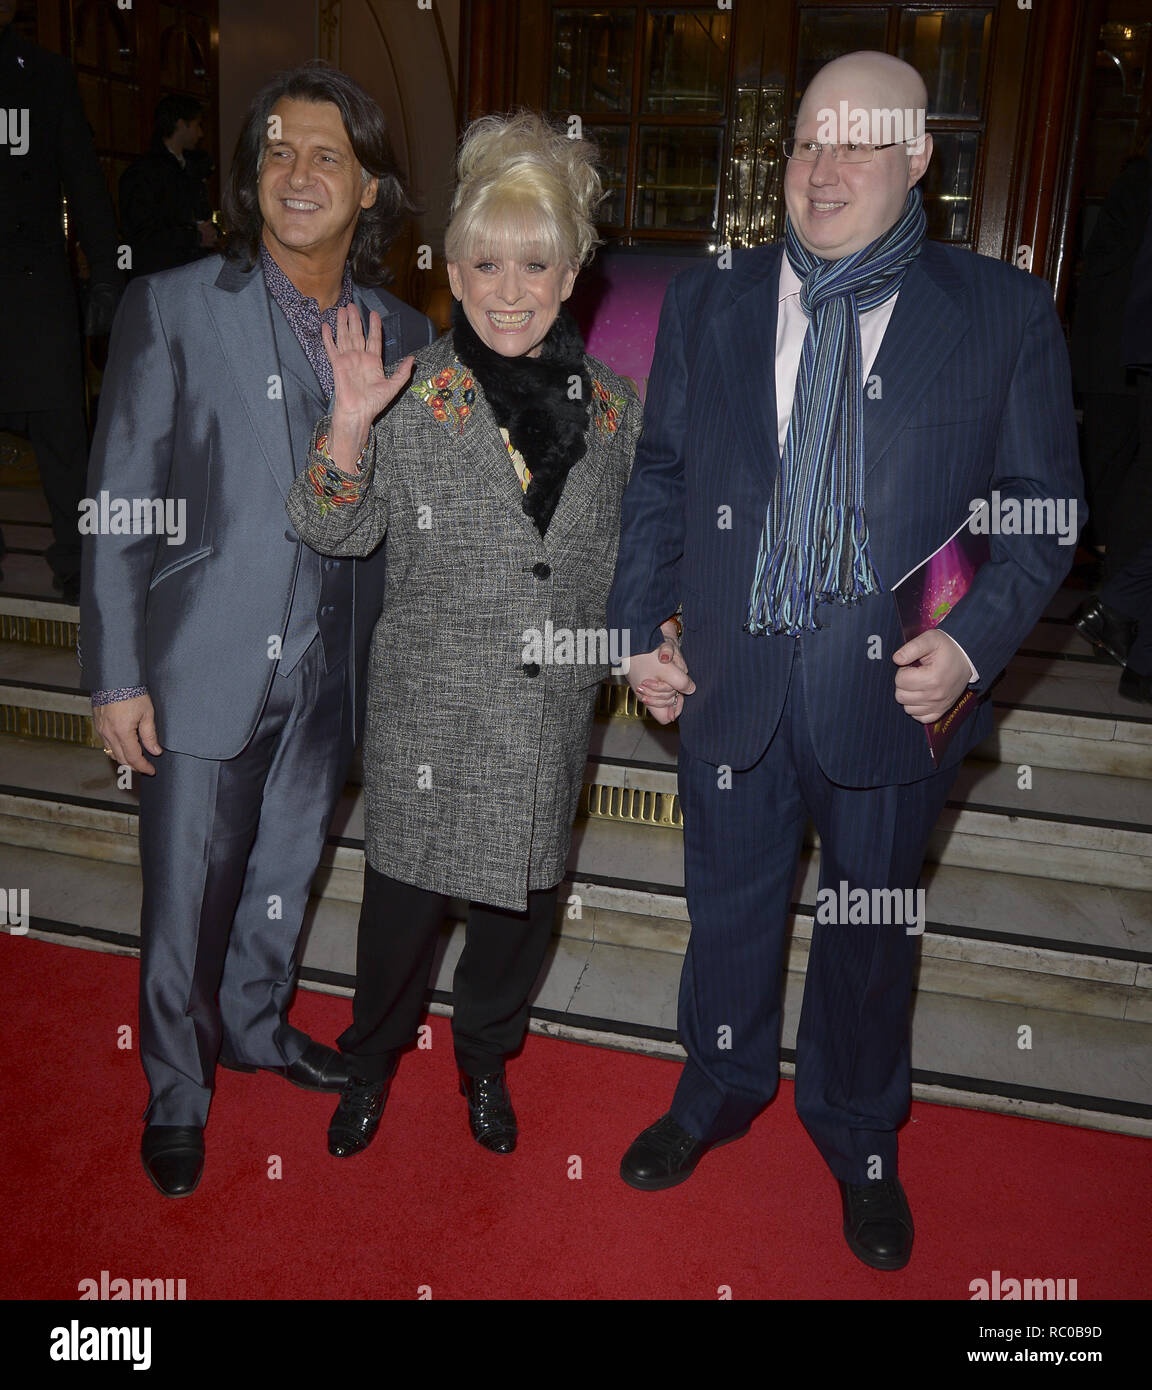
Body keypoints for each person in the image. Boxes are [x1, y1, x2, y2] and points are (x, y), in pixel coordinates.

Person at [605, 51, 1084, 1270]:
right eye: (811, 139)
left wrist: (972, 647)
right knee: (726, 917)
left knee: (870, 942)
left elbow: (1040, 507)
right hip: (729, 680)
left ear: (920, 159)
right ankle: (715, 1086)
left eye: (860, 141)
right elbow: (660, 478)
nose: (824, 168)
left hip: (890, 700)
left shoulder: (999, 312)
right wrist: (635, 626)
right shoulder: (714, 298)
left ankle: (861, 1135)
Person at [79, 62, 433, 1198]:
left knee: (288, 863)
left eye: (329, 154)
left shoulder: (402, 328)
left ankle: (256, 1021)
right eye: (278, 150)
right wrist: (115, 674)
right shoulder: (175, 304)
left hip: (336, 663)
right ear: (248, 174)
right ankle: (176, 1089)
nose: (299, 172)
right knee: (186, 888)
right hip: (201, 658)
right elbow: (122, 497)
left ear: (371, 187)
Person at [285, 111, 643, 1159]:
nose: (508, 288)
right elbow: (330, 526)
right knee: (397, 920)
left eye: (534, 263)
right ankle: (371, 1061)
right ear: (453, 267)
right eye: (484, 261)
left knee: (517, 919)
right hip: (428, 723)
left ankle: (484, 1059)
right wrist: (347, 425)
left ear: (571, 270)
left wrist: (655, 638)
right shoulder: (409, 397)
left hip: (541, 721)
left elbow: (630, 566)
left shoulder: (619, 413)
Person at [0, 0, 122, 602]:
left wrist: (105, 276)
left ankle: (76, 560)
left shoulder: (45, 75)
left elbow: (85, 181)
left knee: (61, 434)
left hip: (34, 282)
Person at [118, 94, 220, 278]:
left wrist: (209, 231)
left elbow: (201, 216)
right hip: (160, 276)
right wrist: (194, 236)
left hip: (189, 272)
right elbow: (140, 233)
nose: (201, 134)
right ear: (181, 124)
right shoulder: (143, 173)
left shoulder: (192, 170)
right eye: (197, 125)